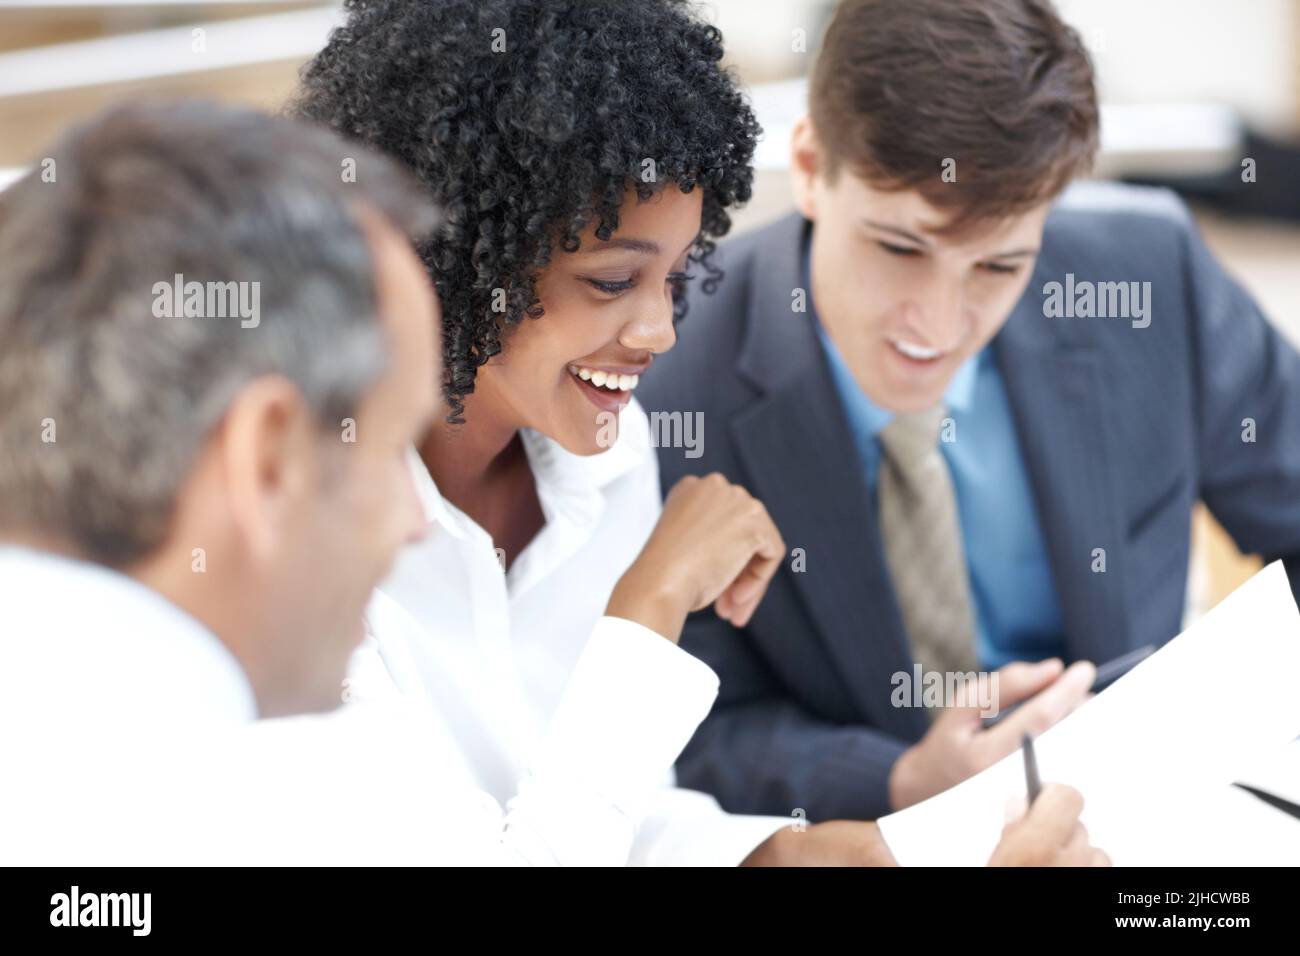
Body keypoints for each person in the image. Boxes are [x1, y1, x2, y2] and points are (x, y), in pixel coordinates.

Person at [293, 0, 1107, 865]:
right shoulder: (309, 543)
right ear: (455, 257)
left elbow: (622, 825)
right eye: (612, 282)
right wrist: (647, 608)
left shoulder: (605, 462)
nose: (660, 333)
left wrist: (805, 854)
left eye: (677, 277)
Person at [0, 99, 799, 866]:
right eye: (387, 453)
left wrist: (762, 853)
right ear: (265, 458)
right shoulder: (243, 774)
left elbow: (605, 809)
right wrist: (647, 613)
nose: (419, 519)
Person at [639, 0, 1300, 822]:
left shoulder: (1153, 275)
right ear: (810, 166)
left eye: (998, 266)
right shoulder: (663, 366)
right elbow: (686, 730)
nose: (940, 326)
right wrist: (902, 780)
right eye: (900, 248)